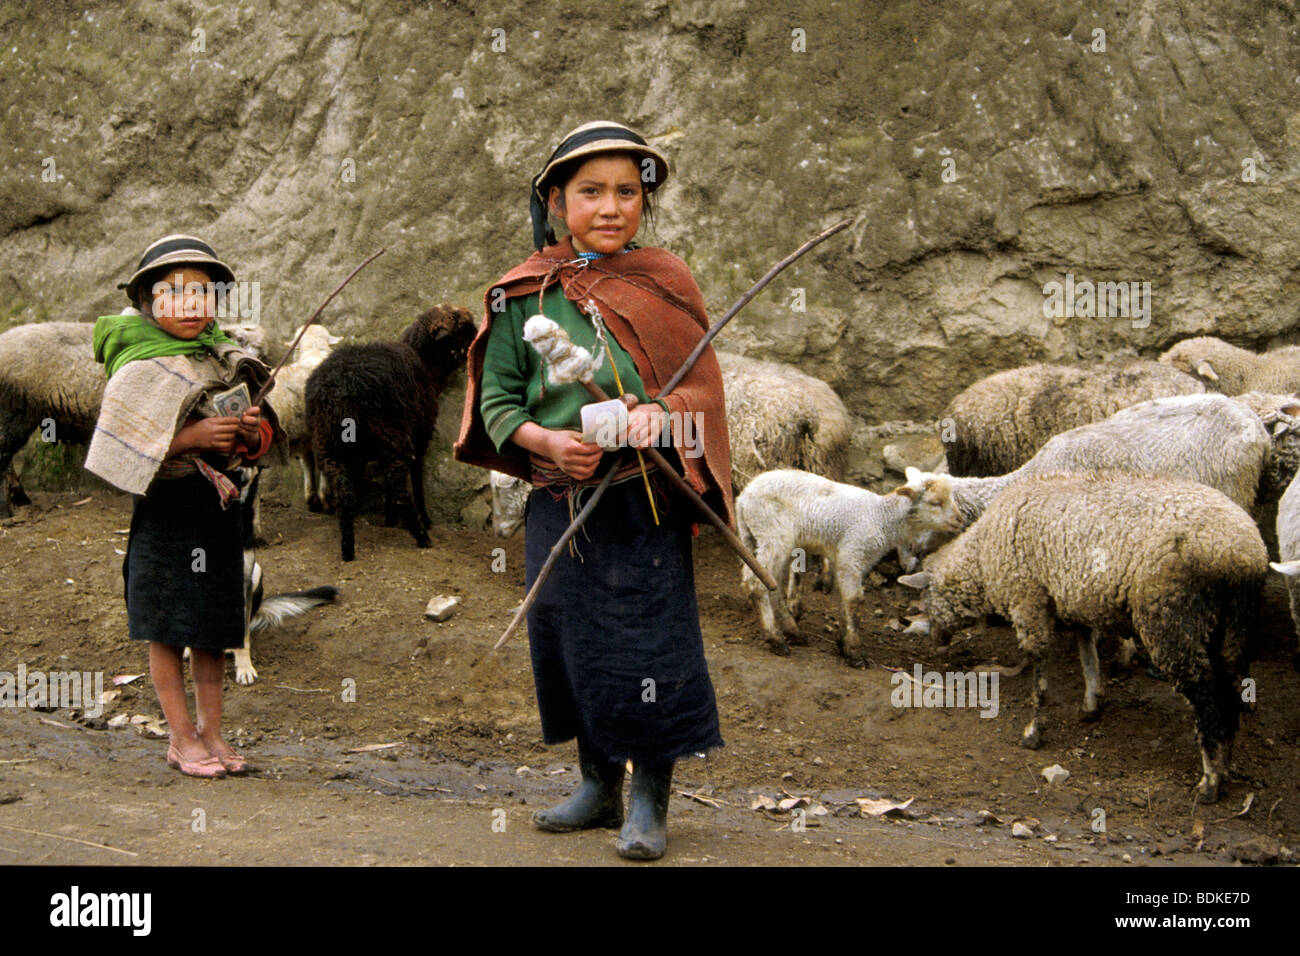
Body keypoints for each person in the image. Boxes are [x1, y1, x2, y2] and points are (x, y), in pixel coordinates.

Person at [455, 121, 734, 860]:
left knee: (649, 641)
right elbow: (499, 404)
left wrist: (658, 417)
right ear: (554, 200)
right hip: (562, 499)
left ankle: (650, 798)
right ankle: (598, 782)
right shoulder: (523, 294)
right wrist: (547, 442)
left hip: (646, 499)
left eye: (627, 192)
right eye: (590, 192)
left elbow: (702, 393)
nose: (611, 207)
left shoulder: (663, 282)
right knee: (570, 635)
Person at [85, 235, 281, 778]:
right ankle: (180, 737)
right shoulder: (138, 368)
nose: (190, 304)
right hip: (167, 512)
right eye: (172, 293)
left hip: (219, 512)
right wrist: (192, 437)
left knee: (214, 626)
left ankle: (213, 733)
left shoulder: (224, 356)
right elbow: (119, 448)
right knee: (168, 627)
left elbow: (262, 441)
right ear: (147, 304)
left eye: (202, 292)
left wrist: (248, 432)